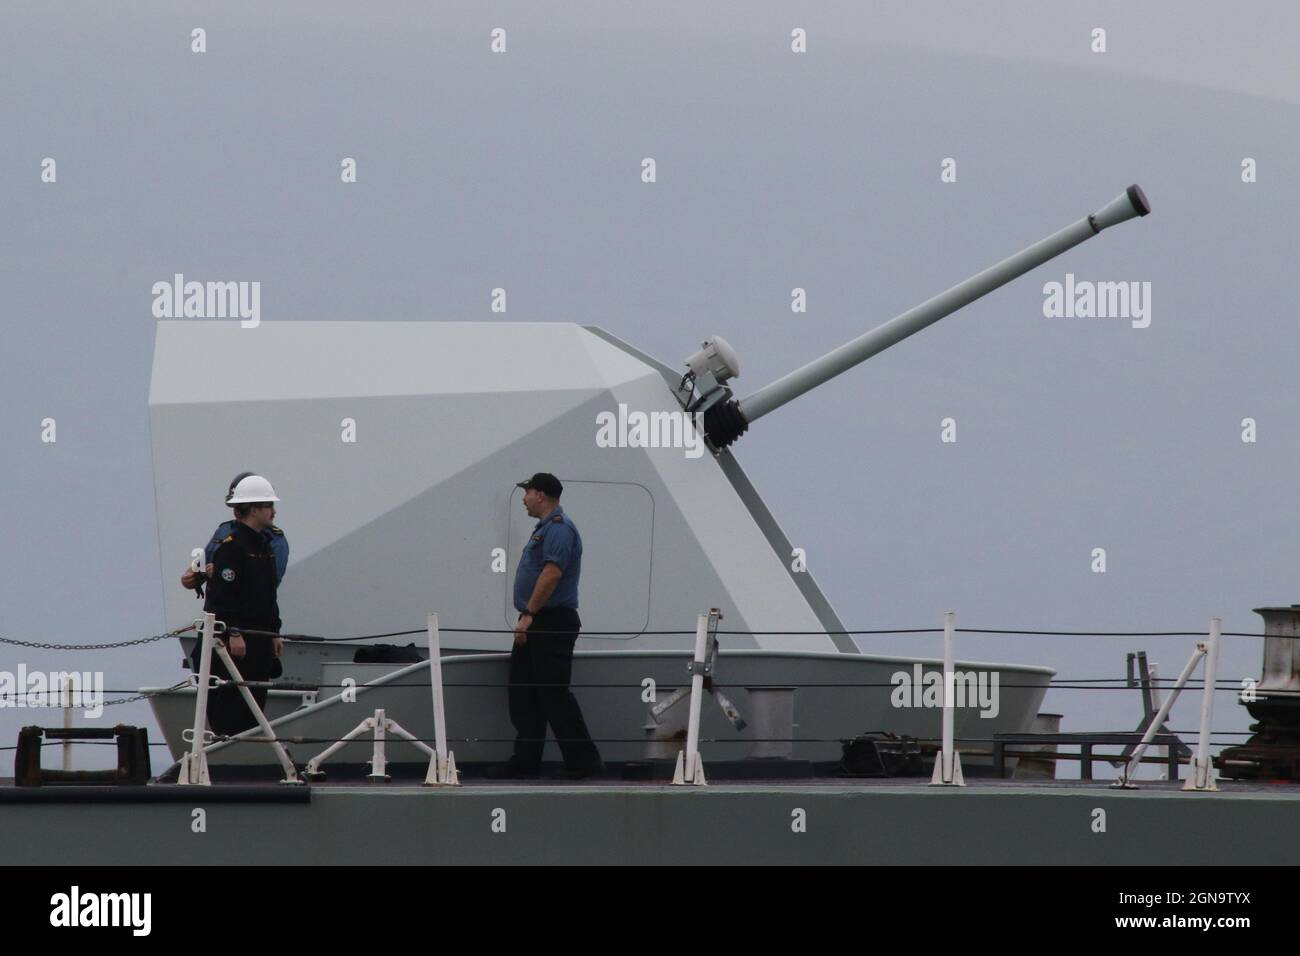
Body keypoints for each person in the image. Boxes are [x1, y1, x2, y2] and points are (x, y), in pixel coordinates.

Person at [494, 472, 602, 779]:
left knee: (554, 694)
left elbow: (552, 573)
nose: (524, 498)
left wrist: (529, 613)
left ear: (540, 494)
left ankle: (584, 762)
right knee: (525, 694)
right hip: (535, 620)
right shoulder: (544, 529)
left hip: (548, 621)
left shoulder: (559, 529)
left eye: (527, 492)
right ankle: (525, 761)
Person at [194, 474, 285, 736]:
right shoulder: (232, 548)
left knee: (255, 703)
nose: (273, 512)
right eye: (268, 506)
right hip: (238, 643)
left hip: (259, 640)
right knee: (231, 703)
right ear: (254, 509)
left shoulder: (266, 545)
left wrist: (274, 632)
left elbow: (269, 596)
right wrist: (232, 632)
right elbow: (222, 596)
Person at [181, 471, 289, 597]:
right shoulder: (224, 531)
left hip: (248, 614)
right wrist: (192, 577)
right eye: (235, 506)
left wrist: (223, 573)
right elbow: (202, 565)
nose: (237, 511)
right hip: (218, 613)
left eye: (240, 506)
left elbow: (267, 586)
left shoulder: (275, 541)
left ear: (252, 509)